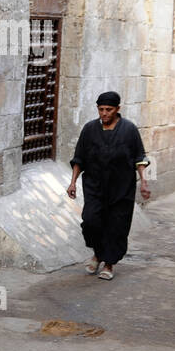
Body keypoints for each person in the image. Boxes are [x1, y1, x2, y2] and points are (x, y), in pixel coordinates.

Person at [66, 91, 150, 280]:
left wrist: (144, 182)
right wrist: (72, 182)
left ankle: (109, 263)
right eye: (101, 109)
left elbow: (140, 158)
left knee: (116, 225)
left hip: (122, 188)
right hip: (94, 186)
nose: (104, 113)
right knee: (91, 221)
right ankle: (97, 253)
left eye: (109, 110)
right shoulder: (89, 129)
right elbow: (79, 158)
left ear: (117, 109)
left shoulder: (129, 130)